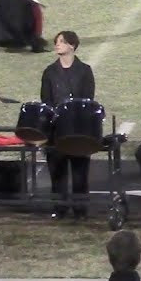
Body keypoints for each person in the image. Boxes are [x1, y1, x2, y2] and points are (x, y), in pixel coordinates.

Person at [41, 30, 95, 220]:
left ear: (72, 46)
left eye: (62, 42)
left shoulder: (85, 70)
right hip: (56, 129)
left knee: (80, 171)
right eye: (57, 42)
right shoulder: (49, 72)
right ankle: (60, 207)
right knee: (57, 171)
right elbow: (45, 99)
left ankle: (81, 209)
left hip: (79, 129)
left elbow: (89, 98)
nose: (57, 45)